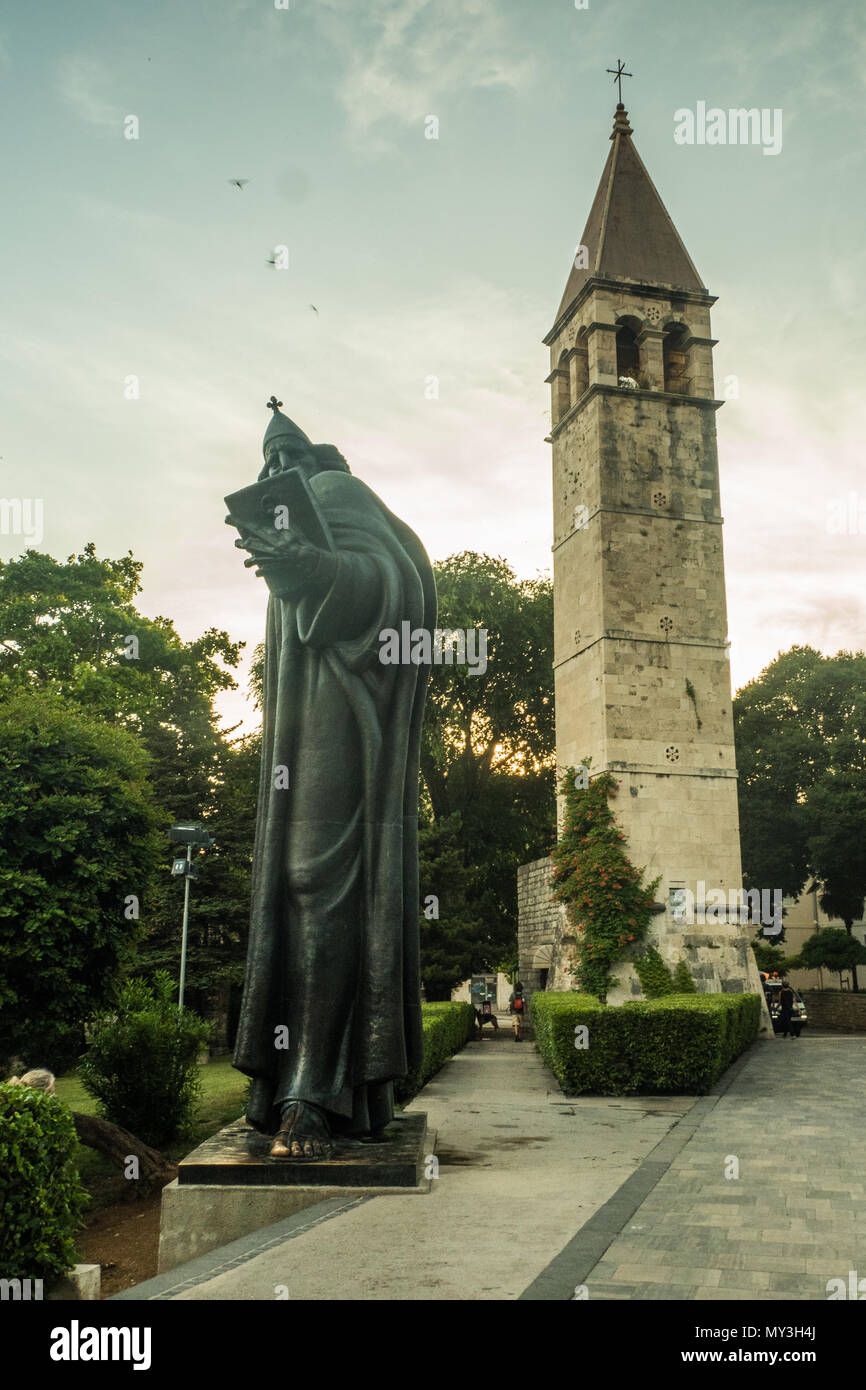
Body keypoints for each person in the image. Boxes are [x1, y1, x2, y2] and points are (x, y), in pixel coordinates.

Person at [228, 402, 436, 1159]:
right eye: (267, 469)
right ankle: (303, 1087)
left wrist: (316, 569)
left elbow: (399, 588)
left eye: (283, 462)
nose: (276, 475)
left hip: (345, 723)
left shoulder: (338, 495)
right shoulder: (293, 507)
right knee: (290, 889)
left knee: (320, 882)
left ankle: (311, 1095)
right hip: (298, 729)